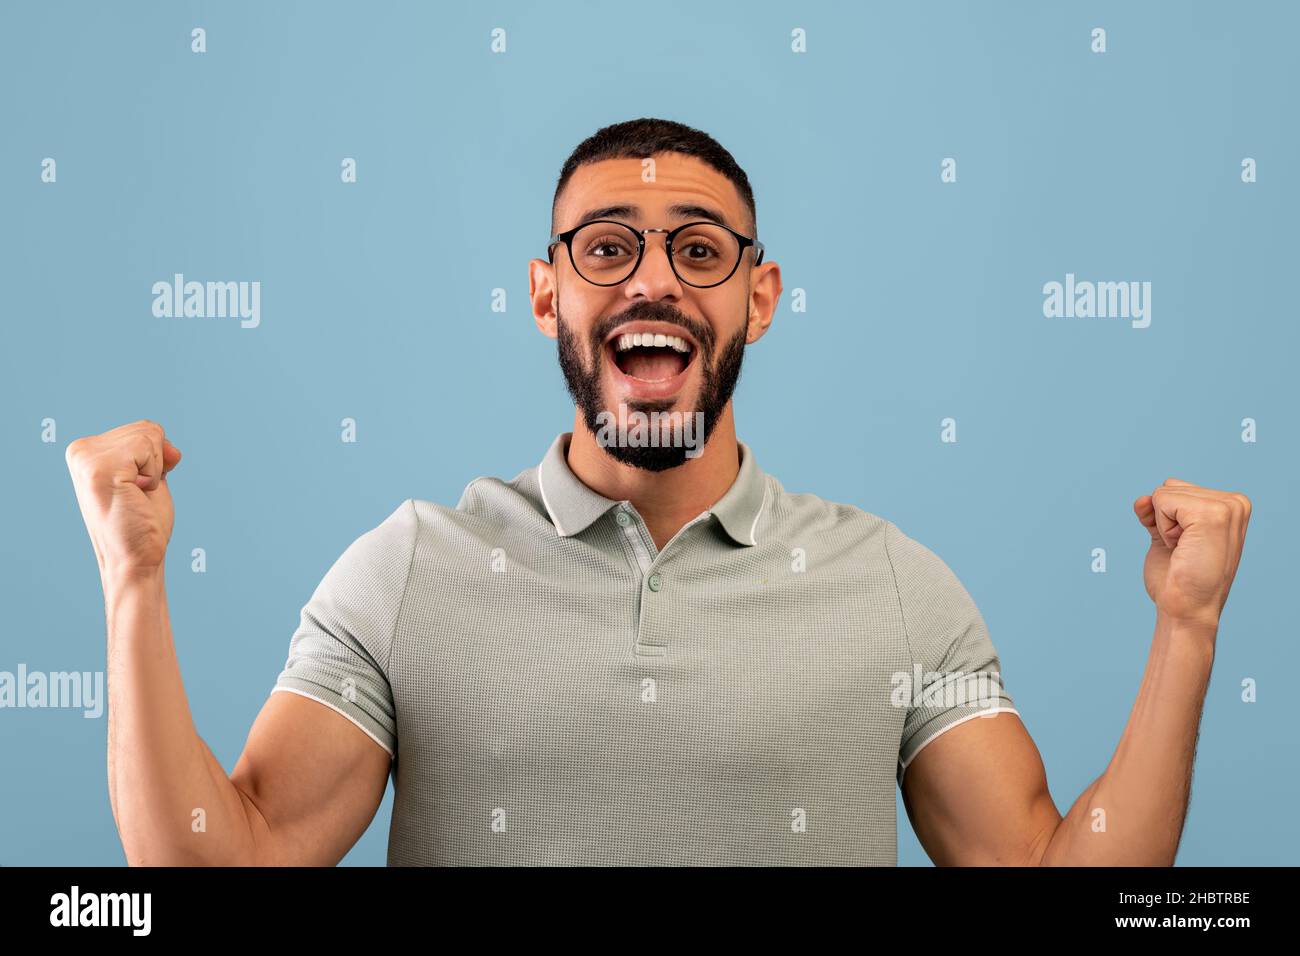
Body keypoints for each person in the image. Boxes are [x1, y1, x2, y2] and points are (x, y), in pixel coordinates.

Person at [65, 118, 1251, 866]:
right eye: (605, 247)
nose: (652, 280)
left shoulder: (894, 586)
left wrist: (1186, 628)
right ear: (545, 294)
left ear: (761, 294)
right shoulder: (410, 567)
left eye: (698, 249)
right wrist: (132, 583)